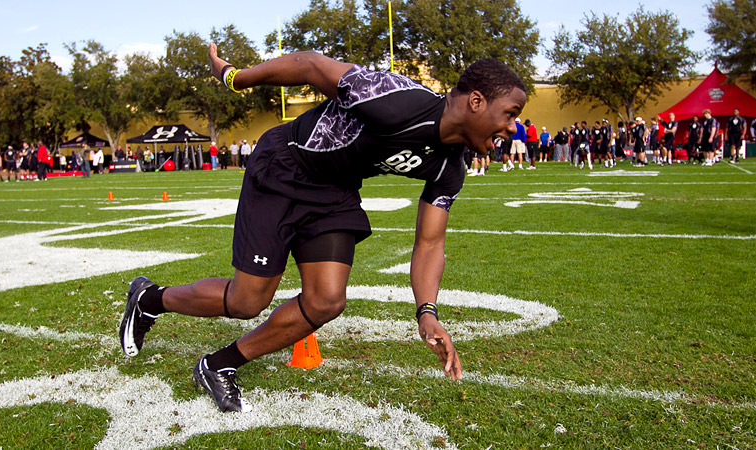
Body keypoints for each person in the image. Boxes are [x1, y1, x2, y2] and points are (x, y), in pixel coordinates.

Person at [119, 43, 527, 413]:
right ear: (476, 101)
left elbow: (430, 241)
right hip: (284, 165)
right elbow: (312, 65)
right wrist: (236, 77)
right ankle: (150, 299)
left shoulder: (449, 166)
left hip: (334, 191)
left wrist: (427, 311)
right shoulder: (402, 100)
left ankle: (218, 365)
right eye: (510, 115)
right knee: (247, 301)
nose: (513, 128)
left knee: (326, 301)